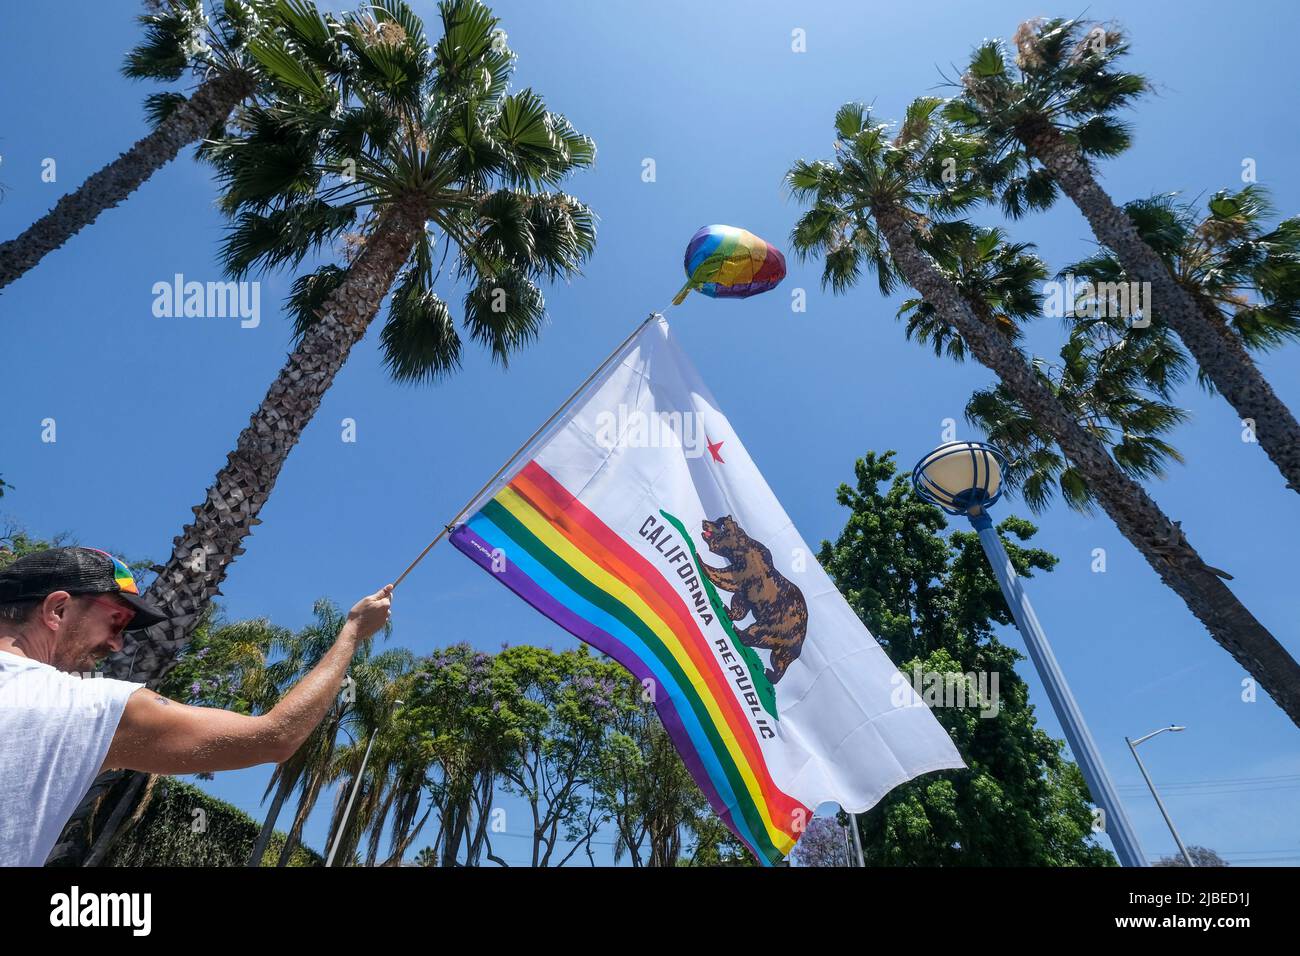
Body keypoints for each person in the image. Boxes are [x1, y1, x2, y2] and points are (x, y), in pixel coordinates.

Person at [0, 546, 392, 867]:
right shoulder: (88, 708)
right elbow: (274, 737)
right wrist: (352, 634)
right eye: (115, 621)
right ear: (57, 610)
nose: (117, 643)